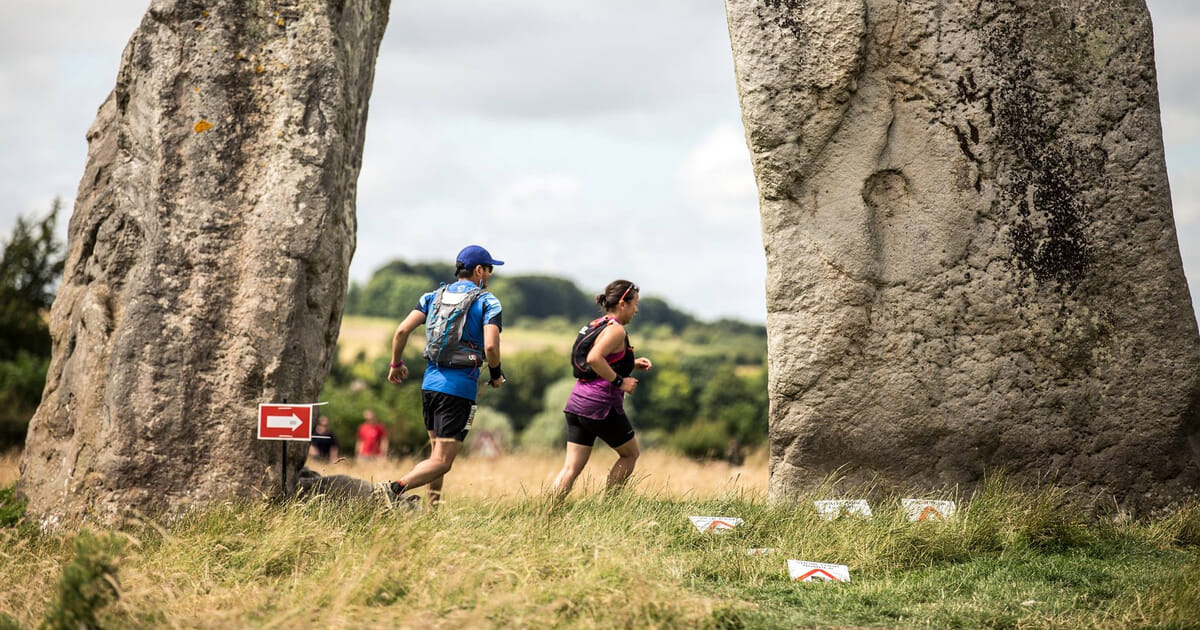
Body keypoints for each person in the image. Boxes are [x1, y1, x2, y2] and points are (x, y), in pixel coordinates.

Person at [379, 245, 506, 508]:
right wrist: (496, 375)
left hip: (430, 385)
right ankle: (393, 489)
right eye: (489, 270)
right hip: (459, 389)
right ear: (478, 270)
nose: (490, 275)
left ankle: (432, 512)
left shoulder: (432, 297)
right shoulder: (488, 301)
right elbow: (491, 347)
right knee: (443, 461)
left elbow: (401, 331)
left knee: (436, 456)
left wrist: (396, 364)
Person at [551, 280, 651, 499]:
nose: (636, 309)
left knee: (570, 468)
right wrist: (620, 382)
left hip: (577, 403)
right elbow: (594, 358)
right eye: (635, 303)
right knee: (630, 454)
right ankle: (608, 508)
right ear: (623, 304)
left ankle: (546, 513)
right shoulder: (617, 330)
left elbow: (603, 358)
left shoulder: (598, 323)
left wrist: (631, 364)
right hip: (600, 406)